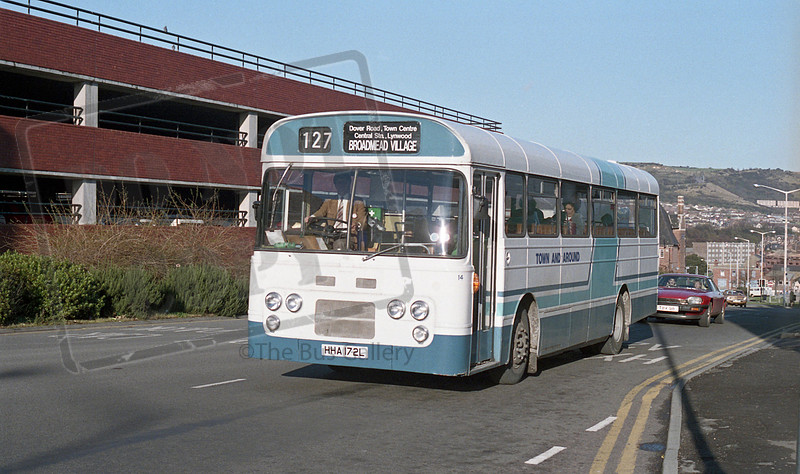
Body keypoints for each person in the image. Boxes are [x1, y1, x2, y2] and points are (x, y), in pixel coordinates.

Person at [306, 173, 366, 250]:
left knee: (339, 244)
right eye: (338, 183)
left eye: (343, 183)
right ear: (335, 185)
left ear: (349, 183)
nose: (341, 185)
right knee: (314, 244)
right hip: (330, 234)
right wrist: (311, 217)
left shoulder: (357, 202)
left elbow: (363, 222)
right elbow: (320, 212)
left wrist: (356, 224)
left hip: (348, 236)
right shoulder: (330, 200)